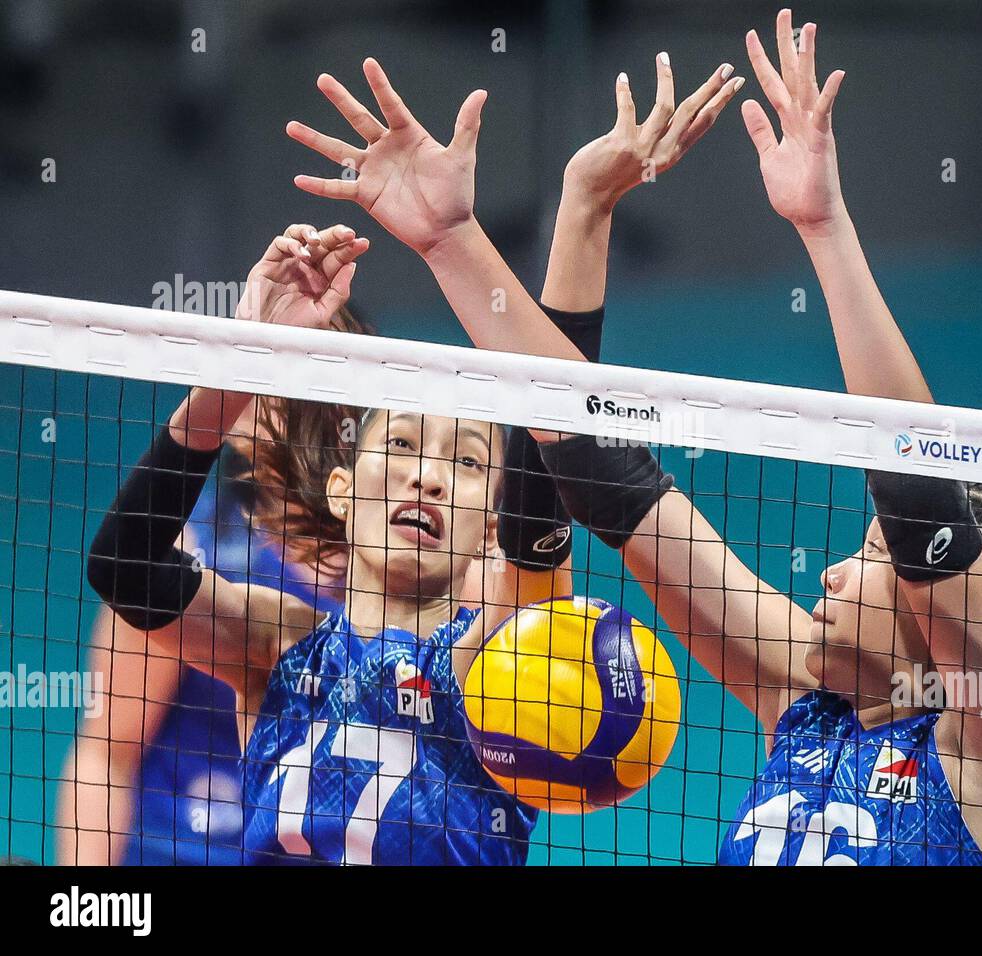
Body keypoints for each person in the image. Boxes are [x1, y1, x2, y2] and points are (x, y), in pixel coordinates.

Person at [332, 10, 982, 865]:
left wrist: (827, 231)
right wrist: (454, 241)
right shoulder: (804, 702)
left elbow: (916, 488)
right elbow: (599, 472)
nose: (831, 572)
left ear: (935, 606)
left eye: (874, 555)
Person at [85, 53, 738, 865]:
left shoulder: (495, 661)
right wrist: (241, 365)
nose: (427, 473)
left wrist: (582, 214)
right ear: (341, 487)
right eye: (396, 446)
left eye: (467, 464)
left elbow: (553, 435)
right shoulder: (280, 645)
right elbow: (124, 565)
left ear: (488, 529)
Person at [58, 289, 363, 865]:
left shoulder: (385, 572)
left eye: (275, 363)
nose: (249, 394)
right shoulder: (182, 545)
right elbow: (107, 754)